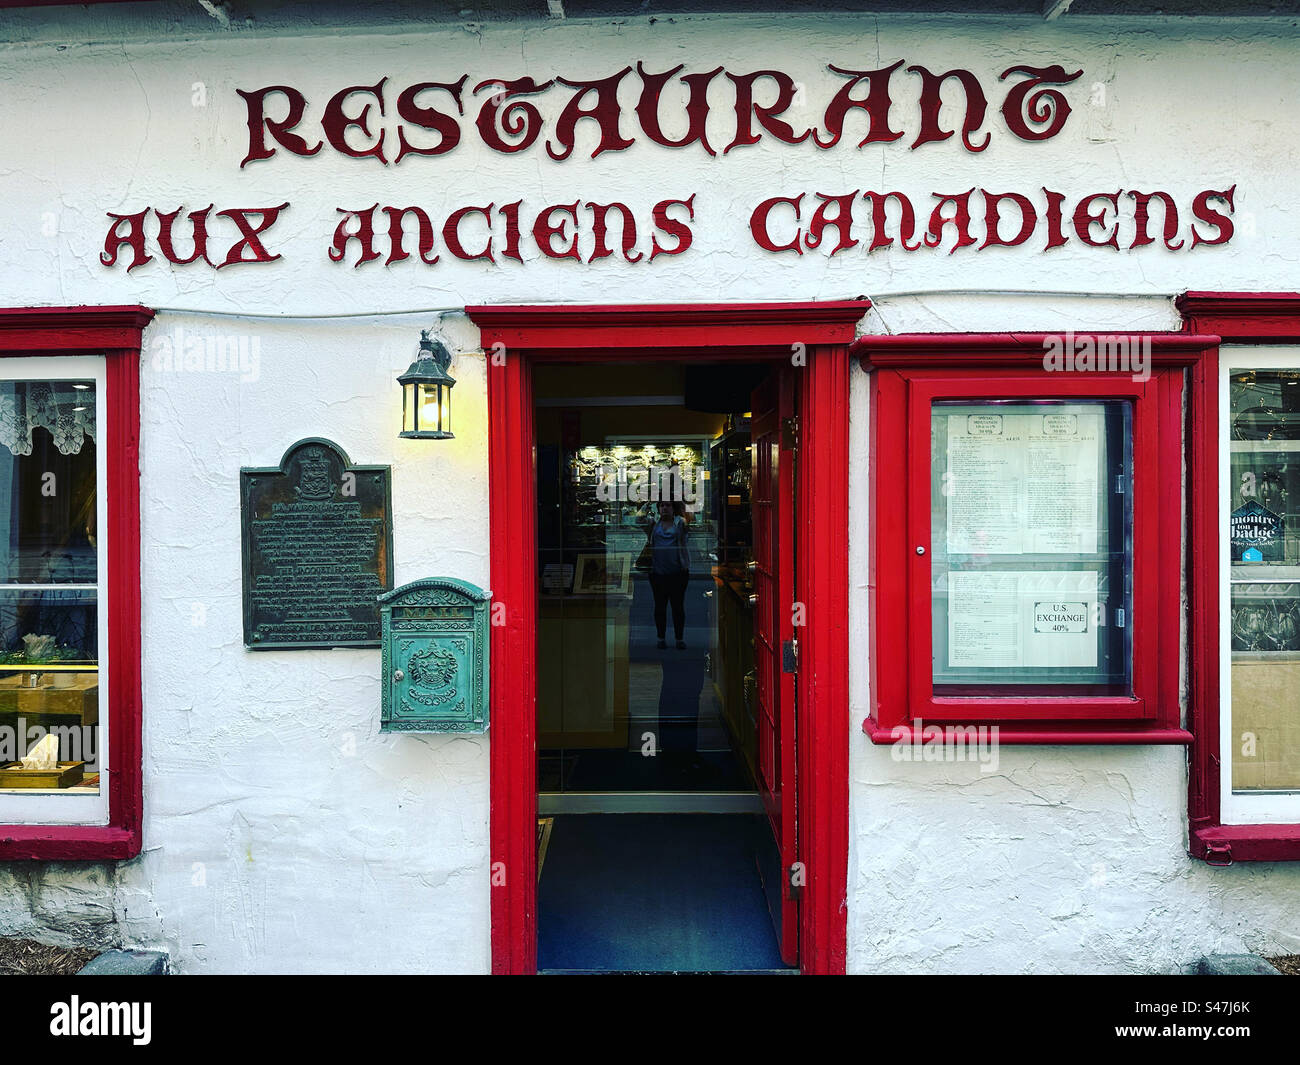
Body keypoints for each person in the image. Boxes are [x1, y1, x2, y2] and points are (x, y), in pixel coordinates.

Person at [642, 500, 690, 649]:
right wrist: (647, 503)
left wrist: (682, 504)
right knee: (660, 607)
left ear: (673, 508)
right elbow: (638, 519)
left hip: (678, 573)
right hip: (657, 573)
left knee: (678, 607)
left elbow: (690, 520)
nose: (665, 508)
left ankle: (679, 638)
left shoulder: (680, 523)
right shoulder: (653, 524)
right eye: (662, 505)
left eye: (668, 505)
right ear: (658, 508)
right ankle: (661, 638)